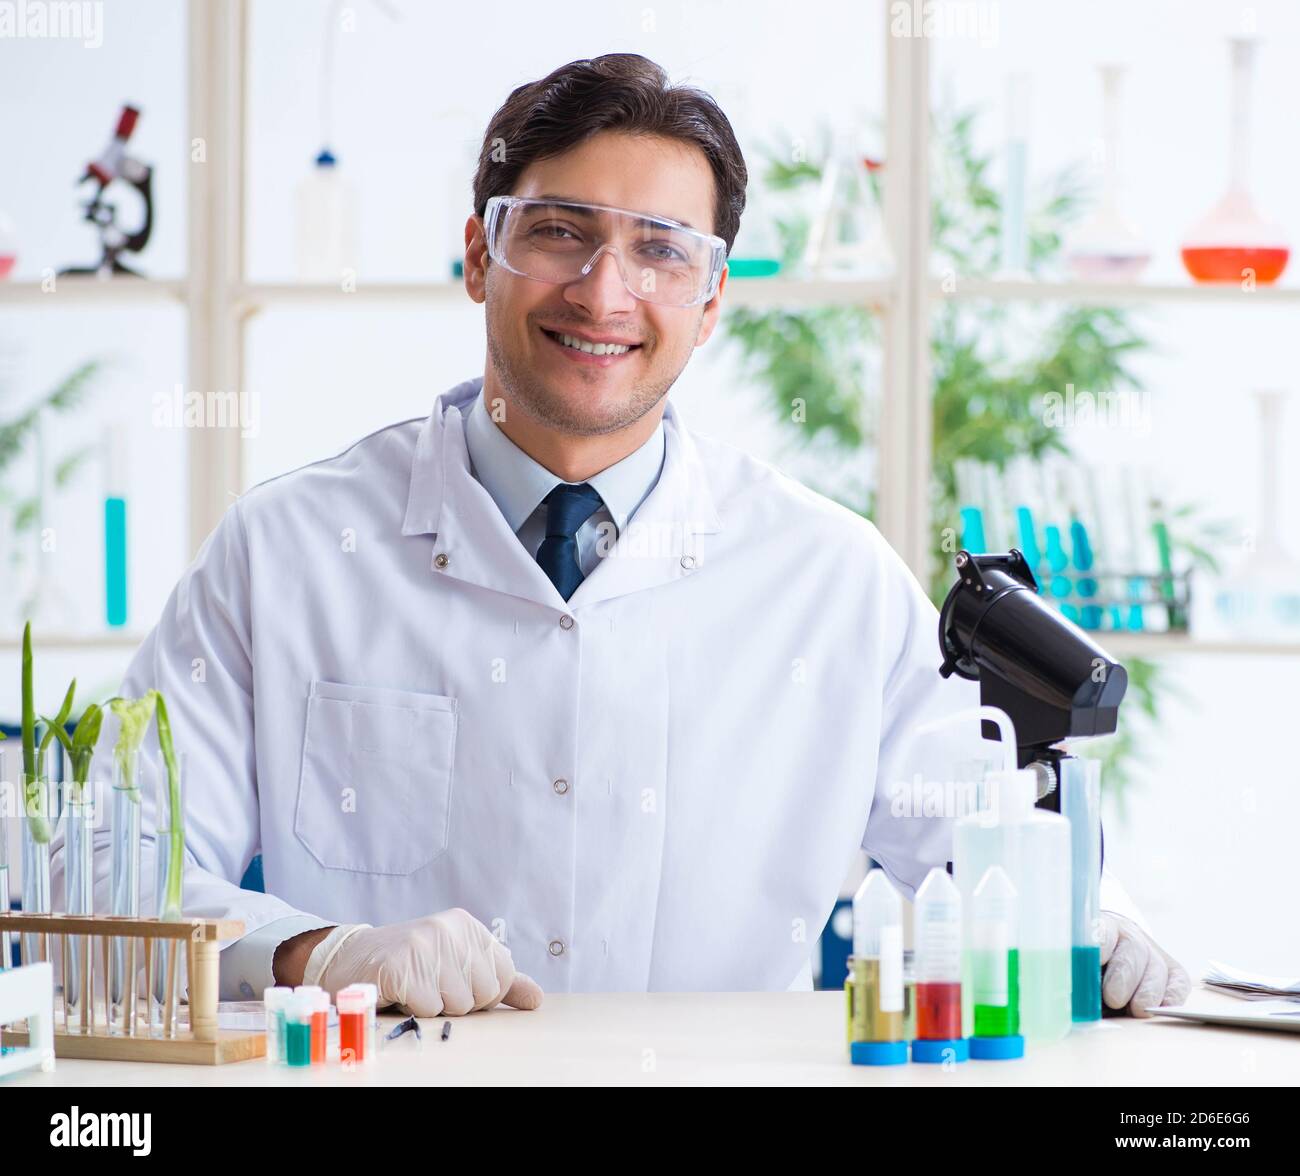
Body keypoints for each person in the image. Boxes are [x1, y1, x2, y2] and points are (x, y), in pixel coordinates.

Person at [73, 54, 1188, 1020]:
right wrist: (322, 953)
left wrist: (1094, 923)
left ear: (711, 301)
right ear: (478, 256)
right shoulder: (286, 552)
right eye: (559, 233)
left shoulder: (832, 580)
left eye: (660, 251)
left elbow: (986, 840)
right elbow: (114, 876)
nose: (604, 292)